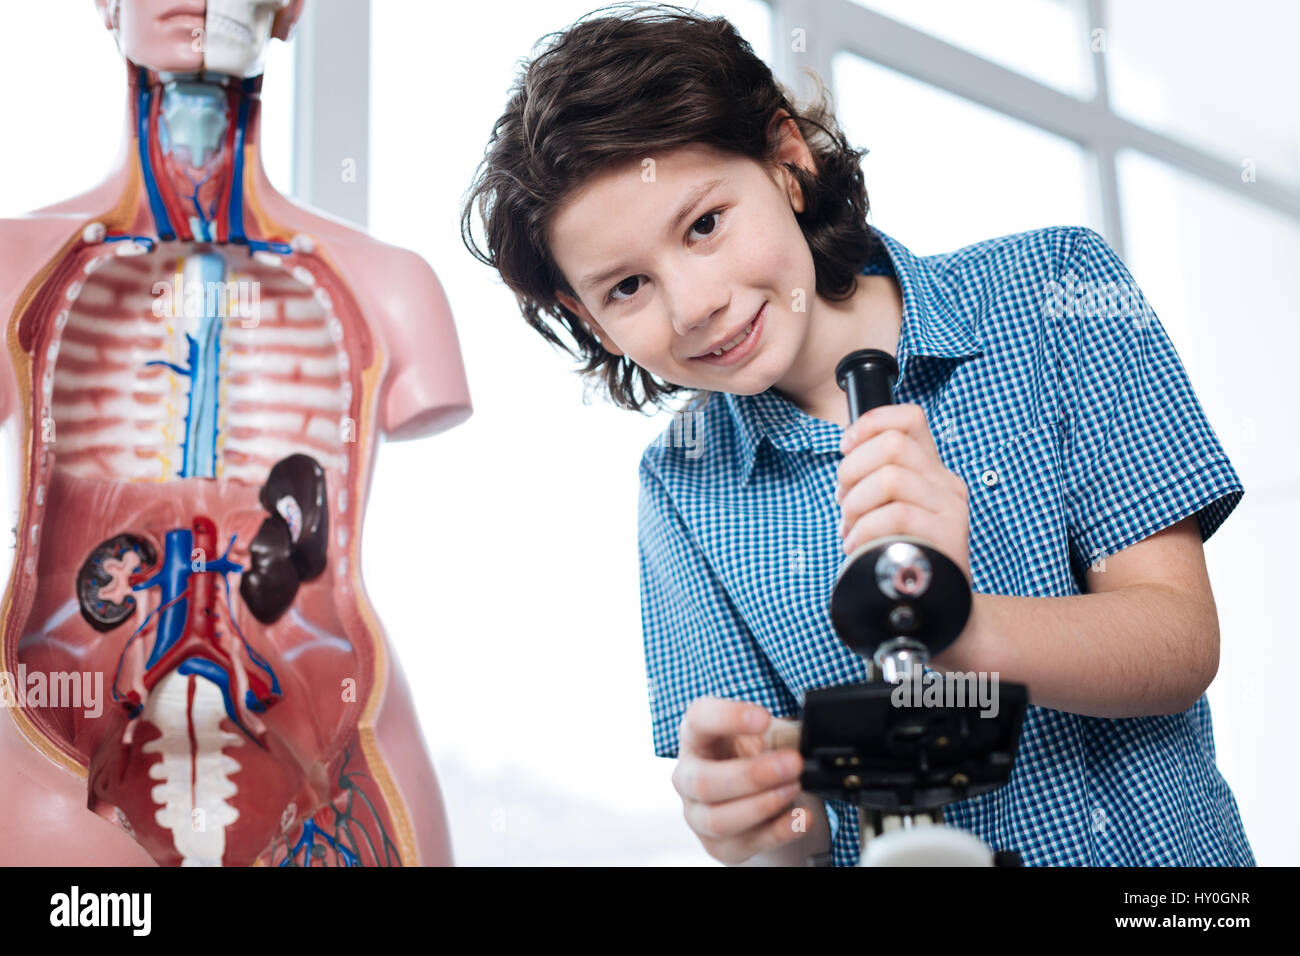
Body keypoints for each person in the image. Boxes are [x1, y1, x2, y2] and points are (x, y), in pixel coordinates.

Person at [460, 3, 1254, 867]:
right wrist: (759, 823)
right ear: (589, 318)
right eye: (625, 288)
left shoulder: (1053, 290)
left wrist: (958, 626)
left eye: (704, 225)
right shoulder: (679, 487)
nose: (694, 306)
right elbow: (799, 828)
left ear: (788, 163)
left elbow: (1179, 641)